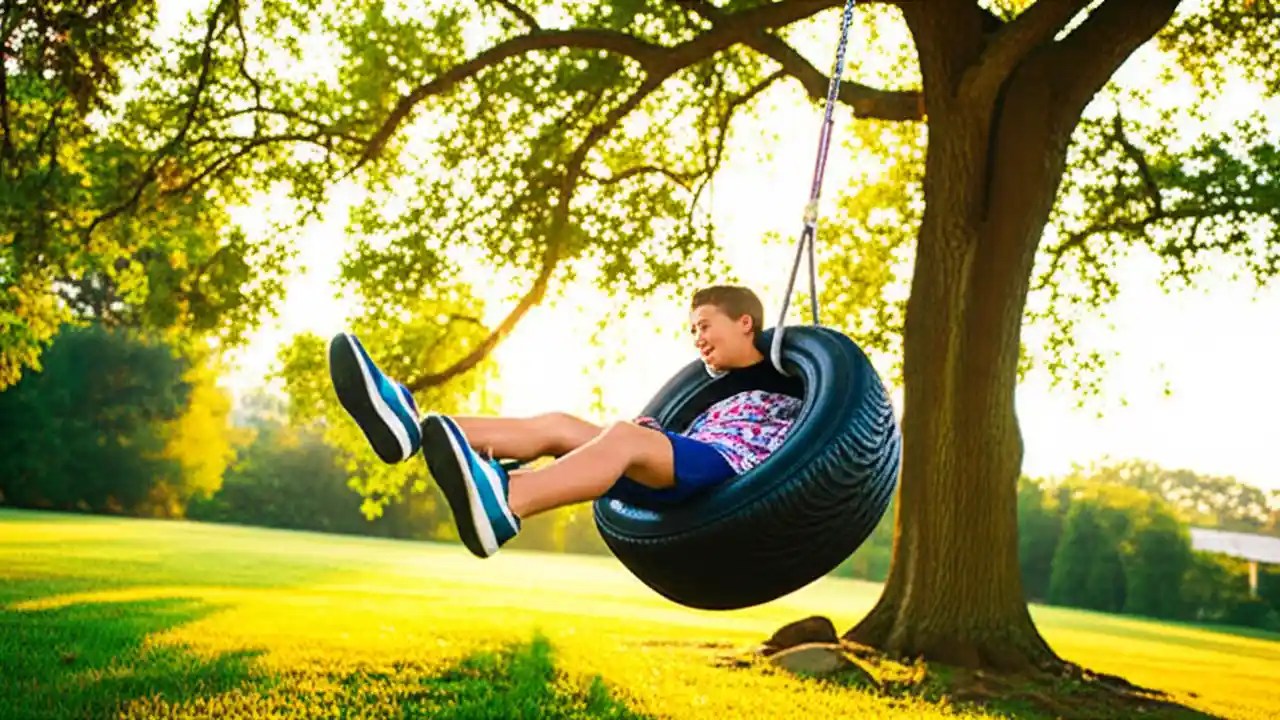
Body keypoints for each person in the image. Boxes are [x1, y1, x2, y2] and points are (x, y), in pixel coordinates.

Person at [328, 285, 803, 559]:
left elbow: (810, 436)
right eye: (693, 329)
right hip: (688, 464)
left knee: (622, 436)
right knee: (558, 424)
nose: (696, 337)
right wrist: (659, 438)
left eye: (704, 325)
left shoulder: (787, 377)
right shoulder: (713, 396)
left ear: (744, 323)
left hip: (731, 470)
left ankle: (509, 501)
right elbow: (686, 443)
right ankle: (408, 426)